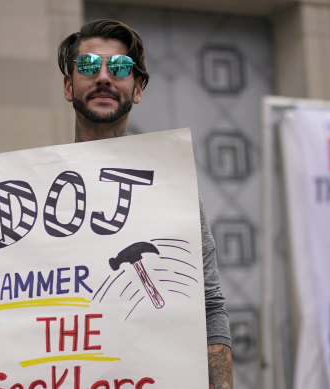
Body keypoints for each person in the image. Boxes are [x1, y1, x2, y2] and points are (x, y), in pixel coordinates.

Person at [57, 19, 233, 388]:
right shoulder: (30, 194)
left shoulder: (171, 187)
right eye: (89, 66)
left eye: (120, 67)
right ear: (69, 85)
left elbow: (209, 305)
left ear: (136, 89)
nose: (104, 76)